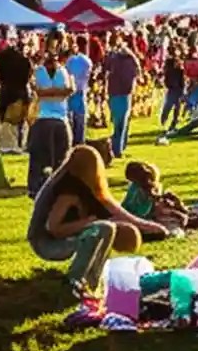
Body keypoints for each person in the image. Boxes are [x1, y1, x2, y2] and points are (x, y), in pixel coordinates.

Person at [27, 146, 167, 297]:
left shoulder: (84, 184)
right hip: (45, 243)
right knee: (102, 229)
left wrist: (147, 226)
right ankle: (75, 282)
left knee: (105, 228)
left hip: (61, 237)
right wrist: (88, 222)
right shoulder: (68, 189)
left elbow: (112, 207)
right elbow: (53, 228)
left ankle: (91, 282)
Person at [28, 36, 74, 196]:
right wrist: (57, 93)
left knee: (39, 159)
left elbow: (38, 91)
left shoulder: (39, 72)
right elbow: (68, 90)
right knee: (61, 159)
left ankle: (36, 187)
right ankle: (59, 186)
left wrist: (46, 93)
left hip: (43, 118)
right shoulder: (63, 72)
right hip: (59, 119)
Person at [104, 33, 141, 159]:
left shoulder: (114, 57)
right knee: (122, 123)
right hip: (124, 93)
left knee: (119, 122)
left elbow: (106, 69)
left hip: (116, 92)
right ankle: (118, 148)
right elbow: (136, 72)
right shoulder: (130, 58)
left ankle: (118, 147)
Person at [65, 35, 93, 145]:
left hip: (70, 92)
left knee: (70, 118)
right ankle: (79, 142)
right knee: (80, 120)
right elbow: (88, 77)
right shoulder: (86, 61)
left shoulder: (70, 60)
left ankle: (70, 141)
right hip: (80, 91)